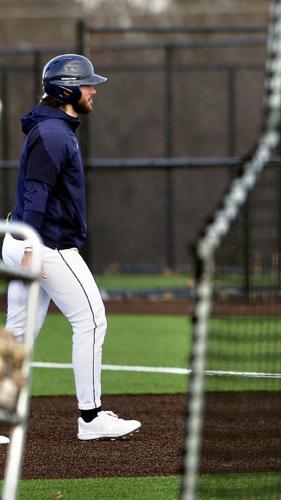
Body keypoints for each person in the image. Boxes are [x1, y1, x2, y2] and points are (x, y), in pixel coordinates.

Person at [3, 54, 141, 441]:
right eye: (86, 84)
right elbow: (37, 192)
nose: (93, 90)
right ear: (65, 90)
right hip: (45, 246)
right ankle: (92, 418)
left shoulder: (52, 128)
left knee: (16, 335)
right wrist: (32, 251)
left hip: (25, 240)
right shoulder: (53, 134)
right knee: (92, 320)